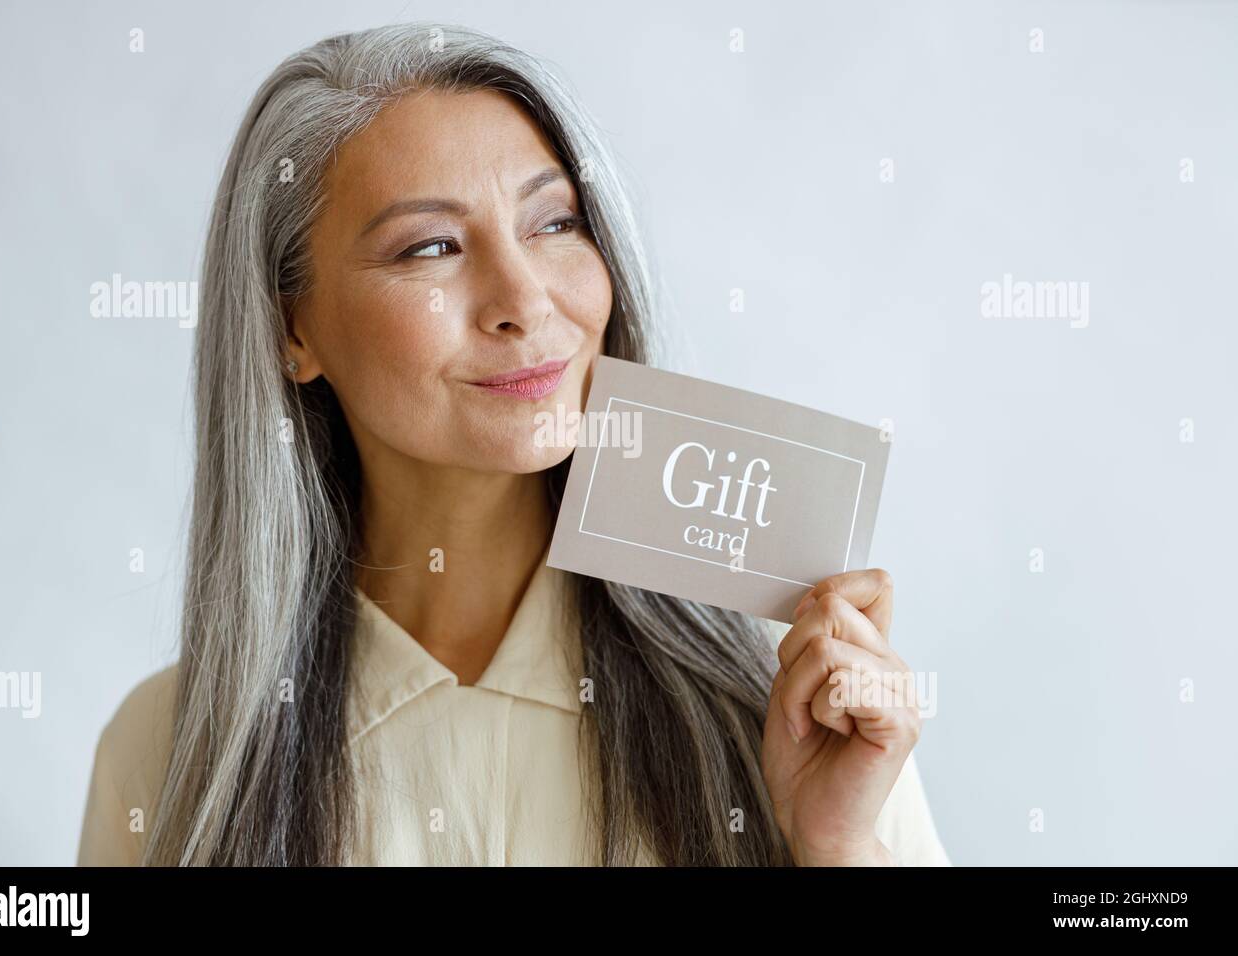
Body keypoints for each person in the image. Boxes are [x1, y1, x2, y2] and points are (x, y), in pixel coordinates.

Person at [77, 21, 951, 867]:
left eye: (555, 223)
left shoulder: (790, 701)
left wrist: (838, 849)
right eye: (431, 247)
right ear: (290, 325)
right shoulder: (165, 752)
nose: (525, 301)